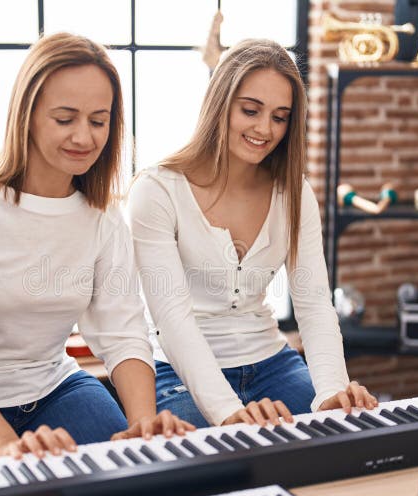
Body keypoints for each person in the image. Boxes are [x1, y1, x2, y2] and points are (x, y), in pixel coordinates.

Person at [0, 33, 192, 473]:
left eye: (99, 120)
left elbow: (122, 330)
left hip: (54, 390)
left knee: (130, 479)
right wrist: (4, 446)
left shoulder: (103, 214)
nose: (84, 137)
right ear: (27, 115)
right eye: (65, 118)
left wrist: (145, 423)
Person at [128, 39, 378, 429]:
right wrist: (229, 413)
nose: (265, 129)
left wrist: (332, 390)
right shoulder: (157, 190)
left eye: (280, 117)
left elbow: (313, 304)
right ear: (219, 104)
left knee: (338, 436)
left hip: (273, 365)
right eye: (250, 110)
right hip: (179, 374)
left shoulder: (295, 194)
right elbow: (173, 320)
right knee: (214, 464)